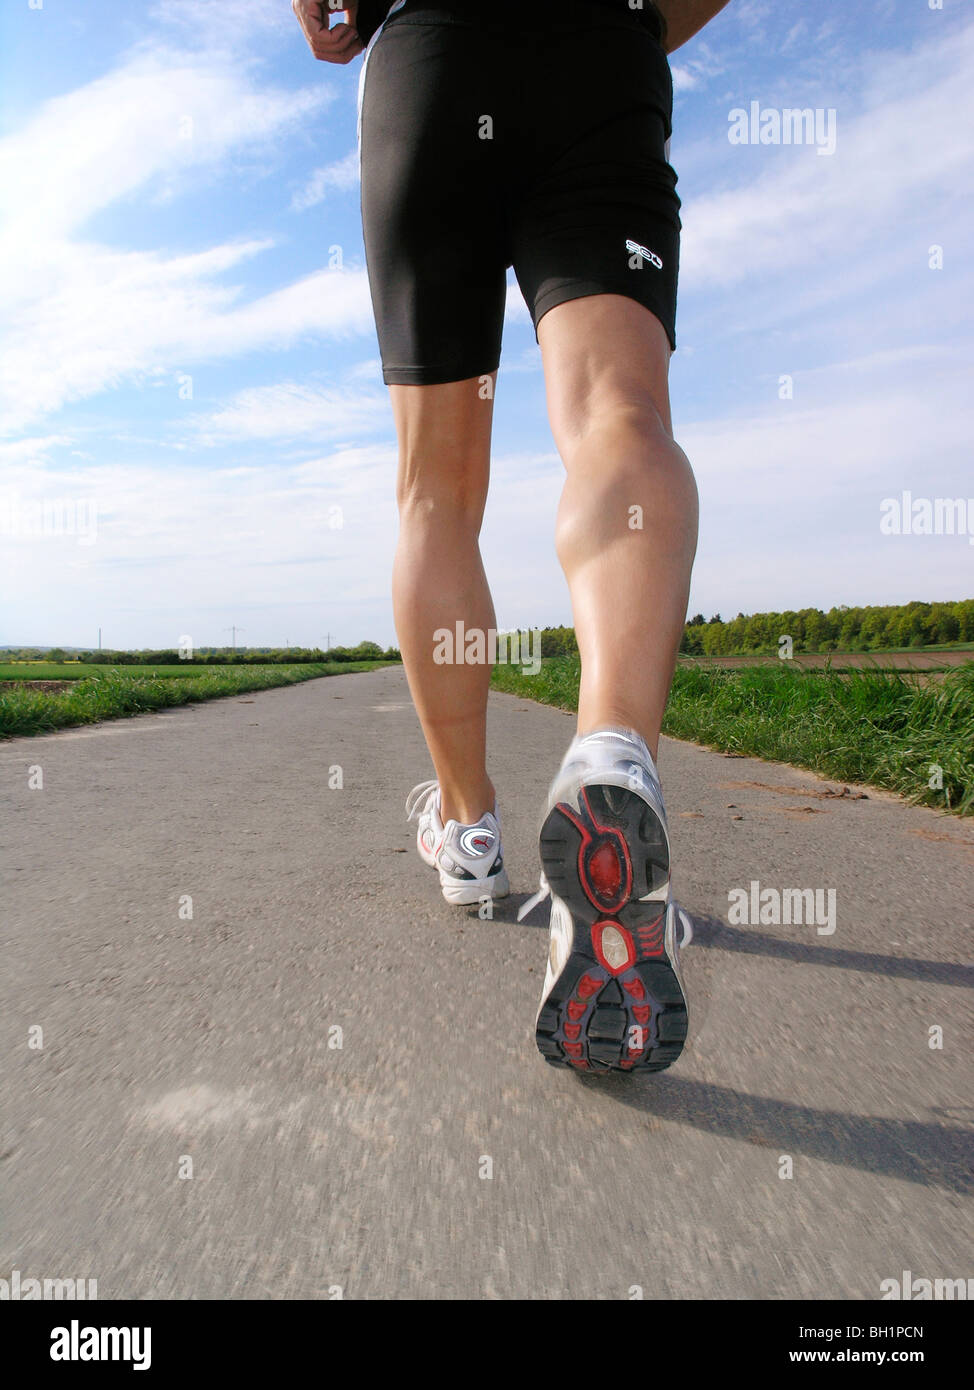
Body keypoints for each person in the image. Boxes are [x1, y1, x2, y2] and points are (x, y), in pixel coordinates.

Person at [293, 0, 731, 1072]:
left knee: (434, 490)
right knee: (618, 418)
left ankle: (470, 829)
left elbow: (325, 10)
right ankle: (610, 753)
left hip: (431, 58)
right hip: (600, 53)